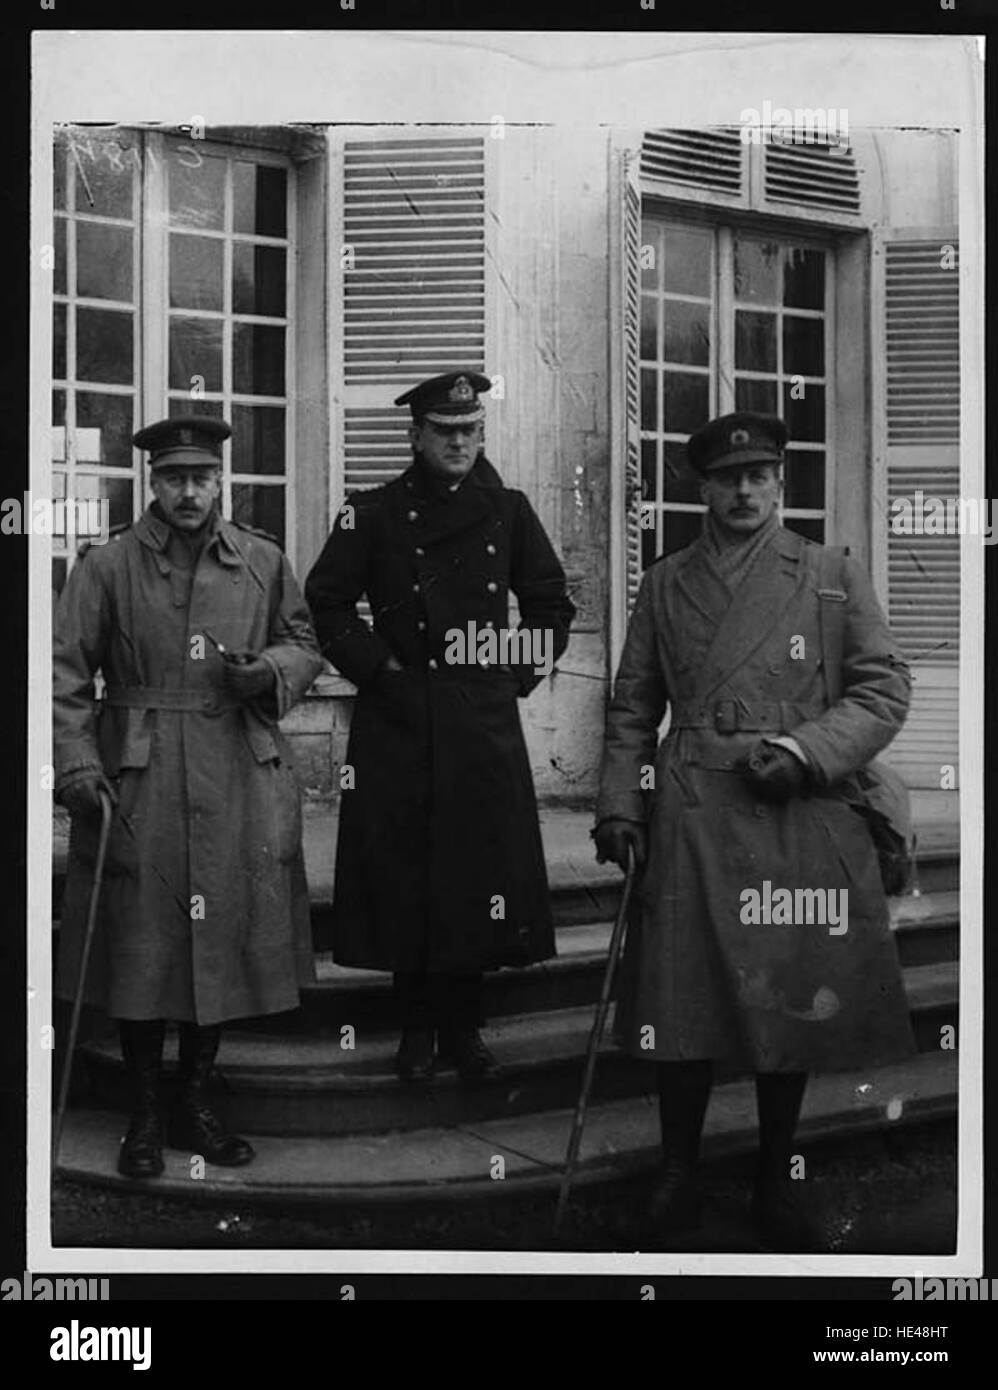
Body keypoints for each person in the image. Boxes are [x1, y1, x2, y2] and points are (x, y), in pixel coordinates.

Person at [593, 411, 914, 1250]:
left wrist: (807, 751)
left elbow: (882, 690)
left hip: (795, 812)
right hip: (694, 808)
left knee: (792, 994)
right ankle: (677, 1174)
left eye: (759, 476)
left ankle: (776, 1179)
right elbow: (633, 706)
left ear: (780, 483)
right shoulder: (665, 584)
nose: (743, 491)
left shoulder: (830, 574)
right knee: (680, 994)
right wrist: (620, 805)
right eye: (728, 477)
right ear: (702, 487)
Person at [54, 416, 323, 1179]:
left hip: (238, 767)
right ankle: (144, 1112)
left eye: (201, 478)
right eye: (173, 478)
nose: (188, 492)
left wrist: (267, 671)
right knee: (144, 945)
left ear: (220, 482)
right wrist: (75, 766)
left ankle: (195, 1103)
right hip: (139, 771)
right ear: (153, 483)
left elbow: (305, 641)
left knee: (223, 941)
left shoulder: (263, 560)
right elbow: (63, 671)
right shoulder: (107, 565)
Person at [305, 371, 575, 1082]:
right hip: (398, 716)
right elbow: (325, 602)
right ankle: (416, 1028)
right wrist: (381, 671)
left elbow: (550, 603)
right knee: (406, 873)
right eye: (444, 431)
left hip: (478, 718)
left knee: (477, 871)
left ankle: (466, 1027)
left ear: (482, 433)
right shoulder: (374, 512)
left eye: (470, 430)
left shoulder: (509, 512)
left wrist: (509, 673)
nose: (459, 442)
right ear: (415, 436)